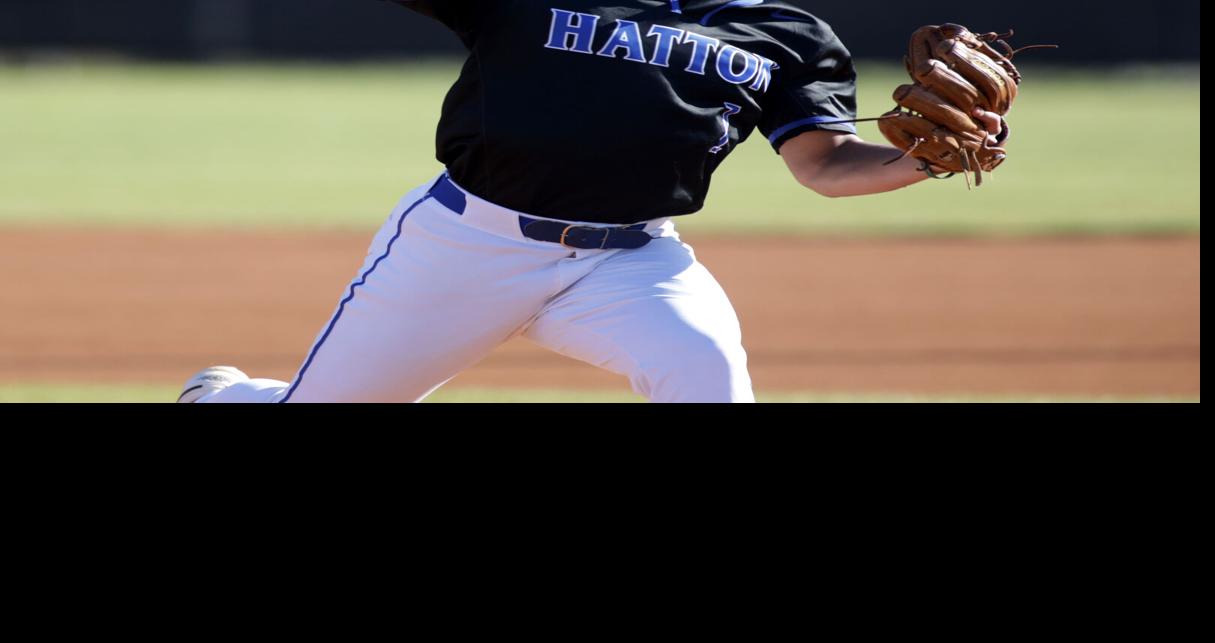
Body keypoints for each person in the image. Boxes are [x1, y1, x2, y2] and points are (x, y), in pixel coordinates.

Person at [180, 0, 1005, 404]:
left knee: (706, 372)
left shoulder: (790, 35)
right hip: (467, 246)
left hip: (632, 263)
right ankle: (229, 397)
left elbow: (823, 164)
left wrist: (920, 164)